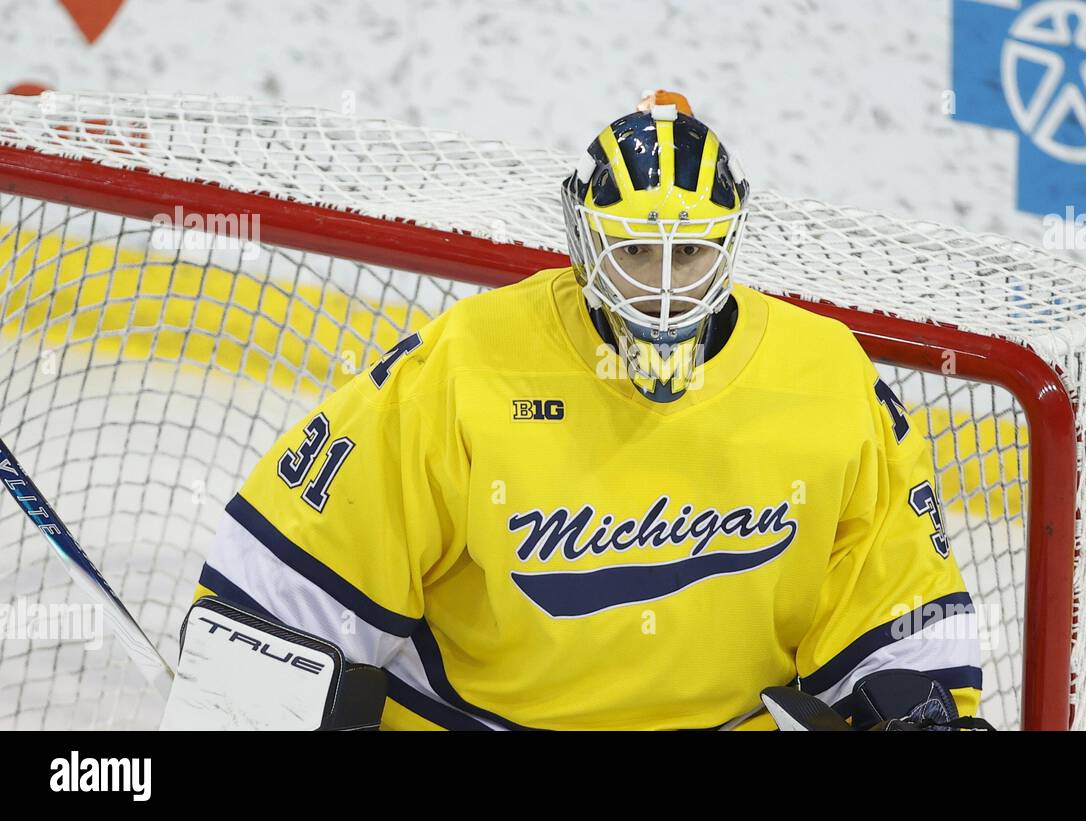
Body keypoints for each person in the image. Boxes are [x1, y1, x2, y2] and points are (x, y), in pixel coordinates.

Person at [176, 91, 982, 730]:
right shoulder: (470, 365)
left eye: (690, 251)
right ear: (586, 239)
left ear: (729, 242)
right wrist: (252, 696)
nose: (664, 283)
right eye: (635, 250)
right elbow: (287, 590)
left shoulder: (826, 380)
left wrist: (916, 713)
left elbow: (897, 621)